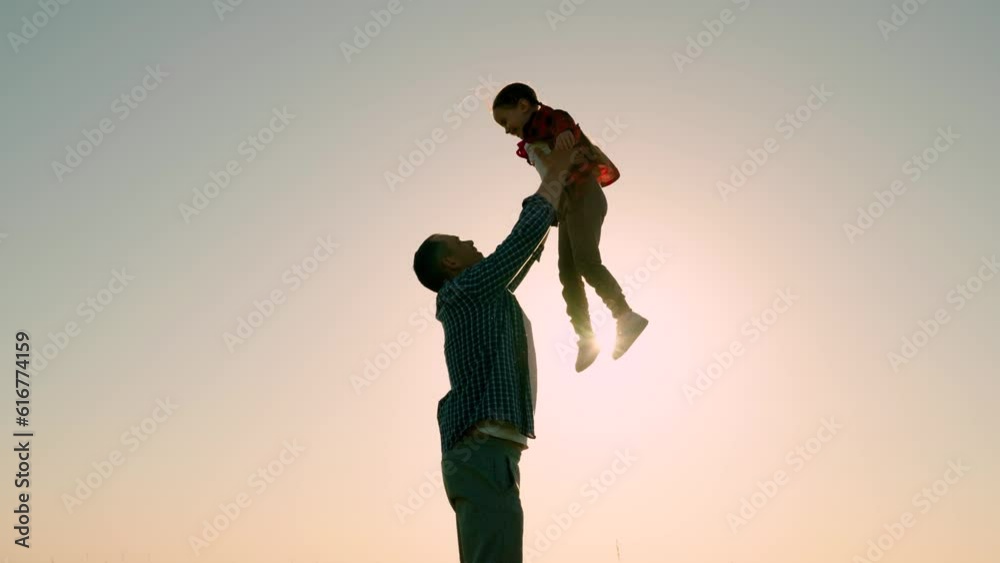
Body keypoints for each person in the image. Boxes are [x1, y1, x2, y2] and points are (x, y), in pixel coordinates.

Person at [412, 146, 578, 563]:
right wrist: (554, 173)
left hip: (484, 449)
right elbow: (518, 244)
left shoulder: (477, 295)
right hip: (481, 448)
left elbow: (519, 258)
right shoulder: (466, 289)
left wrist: (552, 203)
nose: (469, 240)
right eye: (458, 241)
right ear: (451, 261)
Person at [491, 82, 648, 372]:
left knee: (587, 261)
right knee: (567, 271)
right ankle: (585, 337)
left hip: (585, 195)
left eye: (505, 120)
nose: (505, 128)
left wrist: (565, 132)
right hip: (567, 208)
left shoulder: (548, 121)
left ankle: (625, 316)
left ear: (523, 106)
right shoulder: (532, 144)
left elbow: (562, 120)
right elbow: (550, 173)